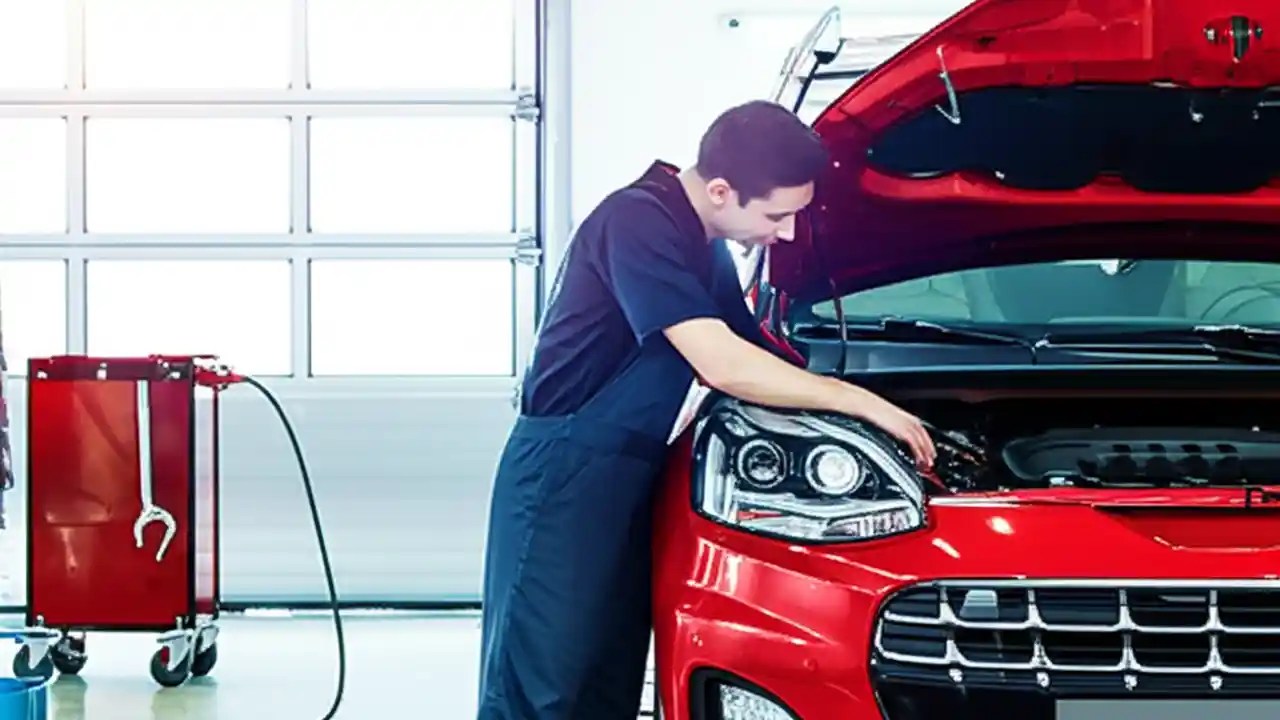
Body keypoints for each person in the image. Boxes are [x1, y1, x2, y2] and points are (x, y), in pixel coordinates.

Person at [476, 99, 936, 719]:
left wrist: (890, 402)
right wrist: (858, 402)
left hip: (624, 480)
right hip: (561, 479)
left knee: (605, 678)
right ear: (721, 190)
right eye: (778, 214)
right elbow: (721, 361)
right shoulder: (636, 222)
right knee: (545, 684)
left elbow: (763, 353)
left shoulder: (703, 242)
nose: (788, 233)